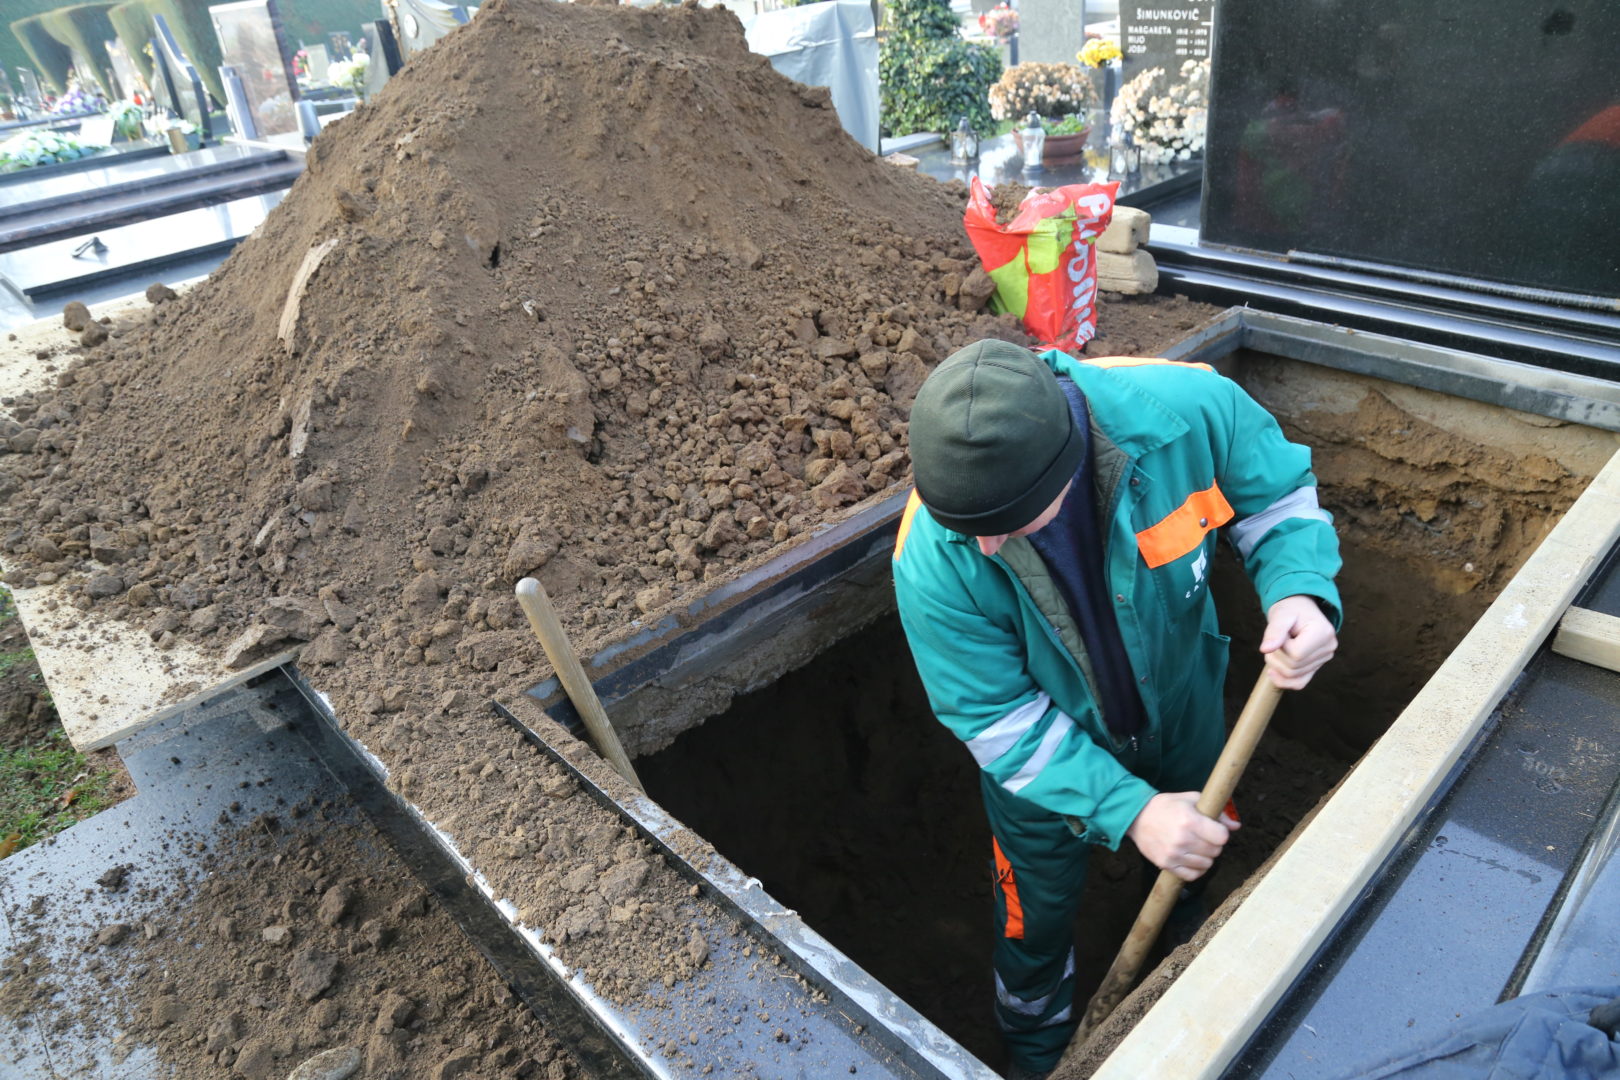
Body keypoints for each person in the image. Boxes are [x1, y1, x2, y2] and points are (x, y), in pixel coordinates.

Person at [891, 340, 1342, 1080]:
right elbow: (997, 721)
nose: (985, 543)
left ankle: (1179, 990)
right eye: (968, 528)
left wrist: (1299, 587)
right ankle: (1036, 1054)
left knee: (1192, 865)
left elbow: (1278, 494)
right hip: (1045, 779)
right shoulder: (936, 555)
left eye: (1008, 521)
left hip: (1187, 720)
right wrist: (1132, 811)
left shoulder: (1181, 413)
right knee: (1031, 925)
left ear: (1068, 461)